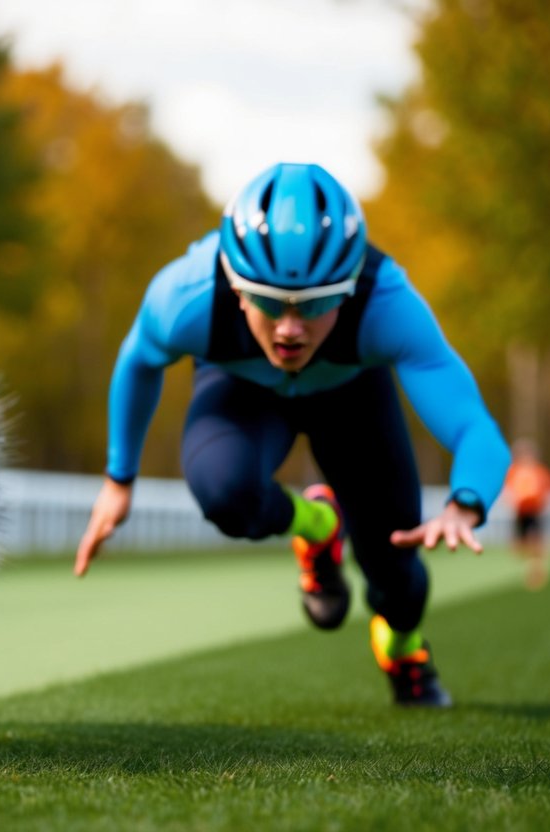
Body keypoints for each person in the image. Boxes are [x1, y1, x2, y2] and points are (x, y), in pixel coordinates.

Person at [75, 162, 511, 707]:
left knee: (397, 577)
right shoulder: (185, 293)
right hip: (241, 391)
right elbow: (137, 362)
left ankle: (402, 648)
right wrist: (120, 478)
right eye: (268, 300)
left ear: (349, 290)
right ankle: (318, 524)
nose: (289, 329)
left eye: (315, 305)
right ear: (234, 284)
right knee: (225, 492)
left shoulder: (388, 304)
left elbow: (475, 426)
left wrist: (466, 503)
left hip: (352, 398)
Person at [503, 438, 550, 590]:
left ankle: (536, 568)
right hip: (520, 510)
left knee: (536, 540)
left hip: (535, 510)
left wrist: (546, 503)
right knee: (519, 541)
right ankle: (523, 568)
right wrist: (509, 501)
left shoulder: (540, 471)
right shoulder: (513, 471)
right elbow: (508, 489)